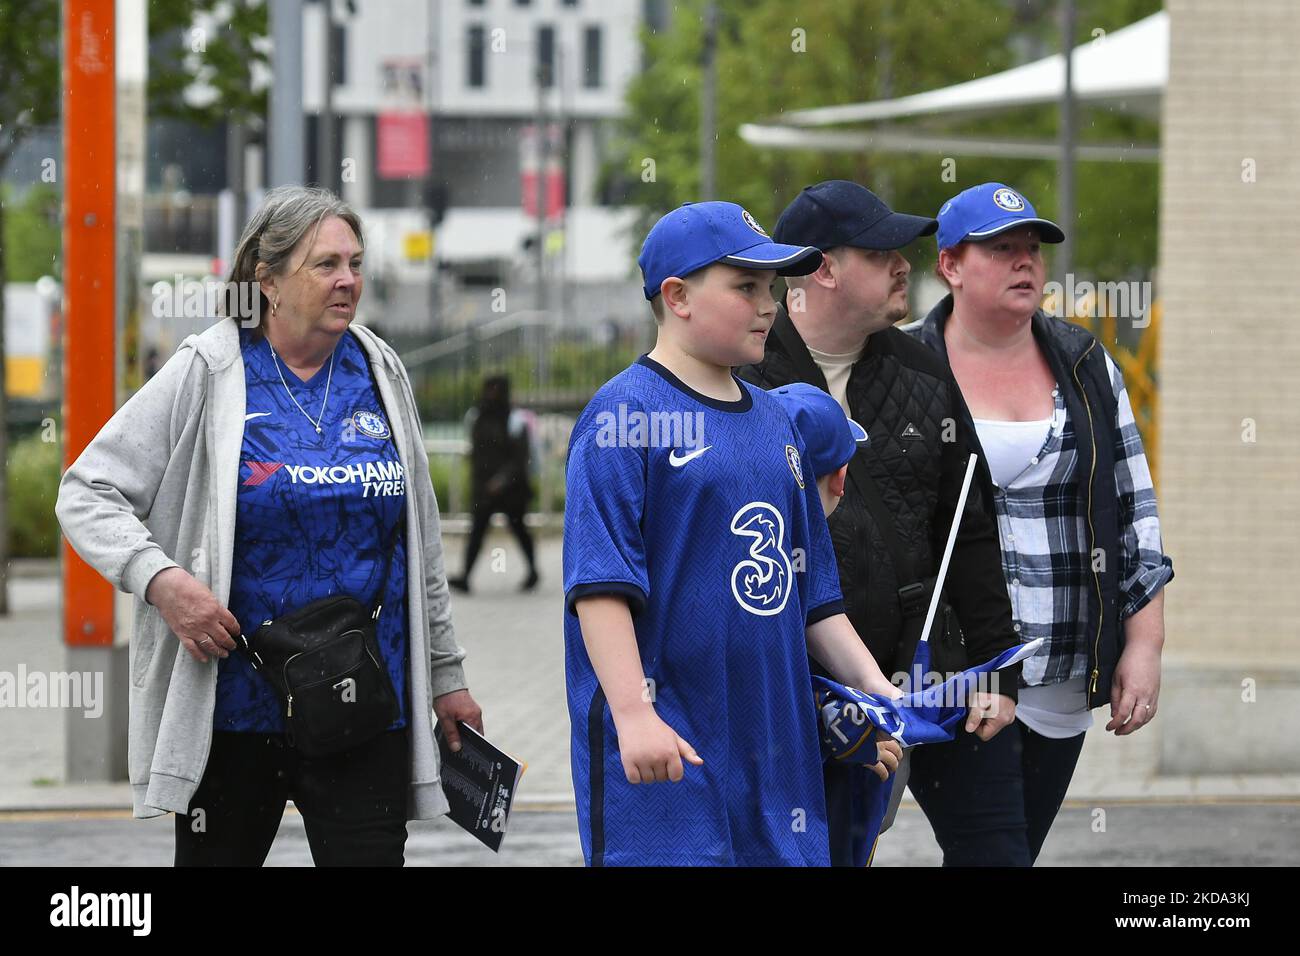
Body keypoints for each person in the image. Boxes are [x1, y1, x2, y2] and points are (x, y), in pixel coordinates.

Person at [56, 185, 484, 867]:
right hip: (234, 710)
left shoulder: (380, 369)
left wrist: (448, 679)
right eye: (325, 265)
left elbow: (421, 544)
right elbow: (87, 490)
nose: (348, 279)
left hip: (363, 702)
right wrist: (163, 582)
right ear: (269, 281)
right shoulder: (210, 368)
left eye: (355, 261)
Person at [563, 201, 903, 866]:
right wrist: (634, 716)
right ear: (678, 296)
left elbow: (814, 598)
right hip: (668, 753)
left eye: (772, 288)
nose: (768, 305)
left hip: (776, 755)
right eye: (745, 286)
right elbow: (600, 590)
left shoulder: (778, 421)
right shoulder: (624, 416)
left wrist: (881, 692)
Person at [737, 180, 1022, 866]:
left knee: (999, 850)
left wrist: (997, 669)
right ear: (822, 268)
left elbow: (970, 524)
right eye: (882, 251)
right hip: (807, 694)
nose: (905, 265)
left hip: (937, 676)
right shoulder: (741, 376)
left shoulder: (924, 369)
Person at [904, 181, 1174, 864]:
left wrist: (1144, 646)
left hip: (1061, 671)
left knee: (1006, 855)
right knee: (992, 854)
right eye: (1002, 249)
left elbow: (1135, 509)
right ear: (952, 265)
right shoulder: (905, 365)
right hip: (956, 670)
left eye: (1031, 249)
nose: (1025, 261)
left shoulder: (1084, 363)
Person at [448, 375, 539, 593]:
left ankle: (533, 571)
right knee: (477, 532)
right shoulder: (477, 416)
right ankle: (466, 575)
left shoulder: (515, 420)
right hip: (484, 489)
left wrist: (502, 480)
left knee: (519, 530)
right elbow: (476, 452)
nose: (491, 395)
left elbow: (520, 458)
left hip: (512, 491)